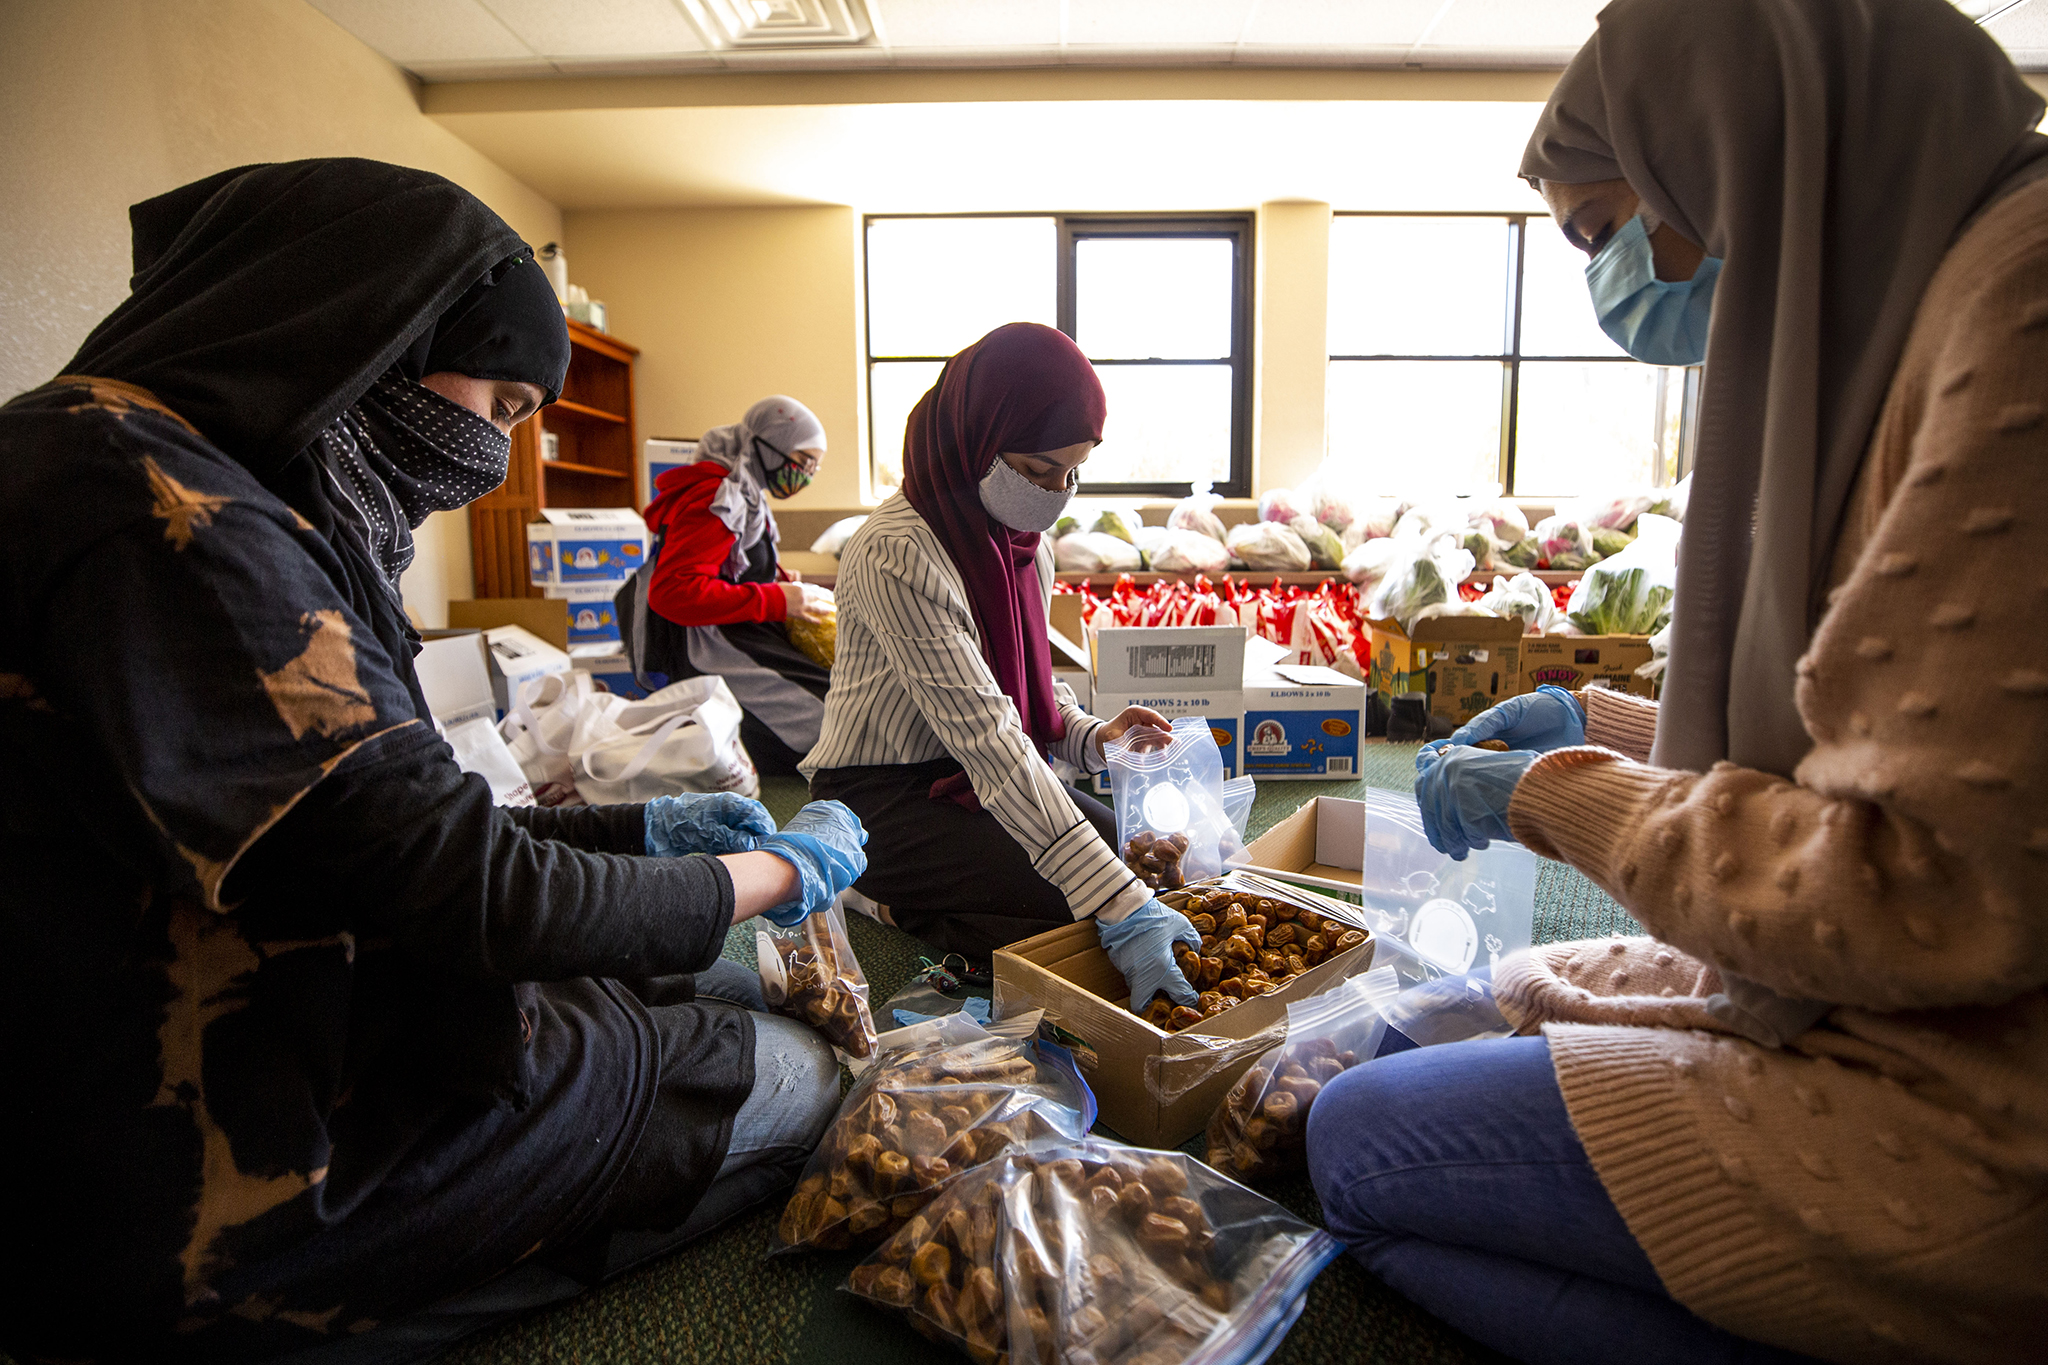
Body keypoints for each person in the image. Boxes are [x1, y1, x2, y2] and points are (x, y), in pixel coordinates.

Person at [0, 159, 869, 1365]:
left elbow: (381, 828)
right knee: (802, 1074)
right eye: (502, 404)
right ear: (376, 332)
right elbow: (475, 896)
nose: (497, 457)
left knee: (697, 981)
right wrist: (776, 872)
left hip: (264, 1009)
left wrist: (636, 830)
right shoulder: (175, 522)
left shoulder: (132, 462)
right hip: (217, 1144)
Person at [1308, 3, 2048, 1362]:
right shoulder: (1913, 308)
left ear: (1728, 154)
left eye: (1602, 230)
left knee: (1353, 1145)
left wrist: (1558, 792)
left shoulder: (2016, 311)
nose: (1614, 285)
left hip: (1964, 1096)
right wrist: (1599, 719)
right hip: (1871, 1002)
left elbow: (1909, 887)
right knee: (1415, 1034)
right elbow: (1873, 748)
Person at [803, 322, 1202, 1010]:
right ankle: (873, 891)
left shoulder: (1024, 544)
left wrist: (1092, 735)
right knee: (1083, 910)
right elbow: (991, 741)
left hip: (973, 776)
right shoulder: (897, 552)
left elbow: (1028, 688)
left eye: (1073, 471)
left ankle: (954, 897)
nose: (1056, 492)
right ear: (977, 439)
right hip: (882, 797)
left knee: (1140, 862)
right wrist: (1119, 905)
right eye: (1038, 469)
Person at [617, 396, 835, 776]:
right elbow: (673, 592)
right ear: (771, 445)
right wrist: (775, 599)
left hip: (739, 626)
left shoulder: (746, 490)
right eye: (803, 461)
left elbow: (732, 565)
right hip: (710, 642)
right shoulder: (718, 495)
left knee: (846, 703)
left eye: (814, 466)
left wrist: (781, 582)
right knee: (837, 727)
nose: (807, 475)